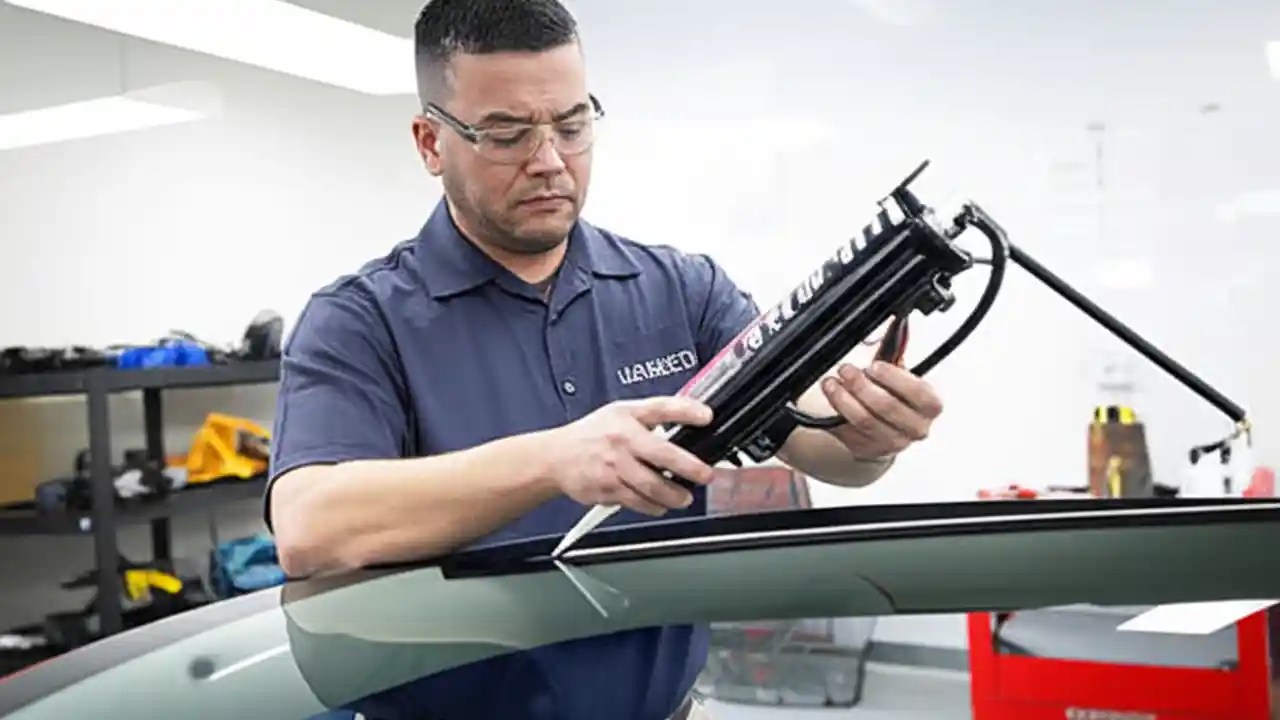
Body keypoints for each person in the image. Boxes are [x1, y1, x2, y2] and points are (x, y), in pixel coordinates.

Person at [265, 0, 944, 717]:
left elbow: (822, 444)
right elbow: (313, 530)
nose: (550, 161)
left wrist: (870, 437)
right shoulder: (360, 320)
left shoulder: (681, 292)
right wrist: (553, 460)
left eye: (571, 124)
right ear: (431, 142)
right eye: (506, 133)